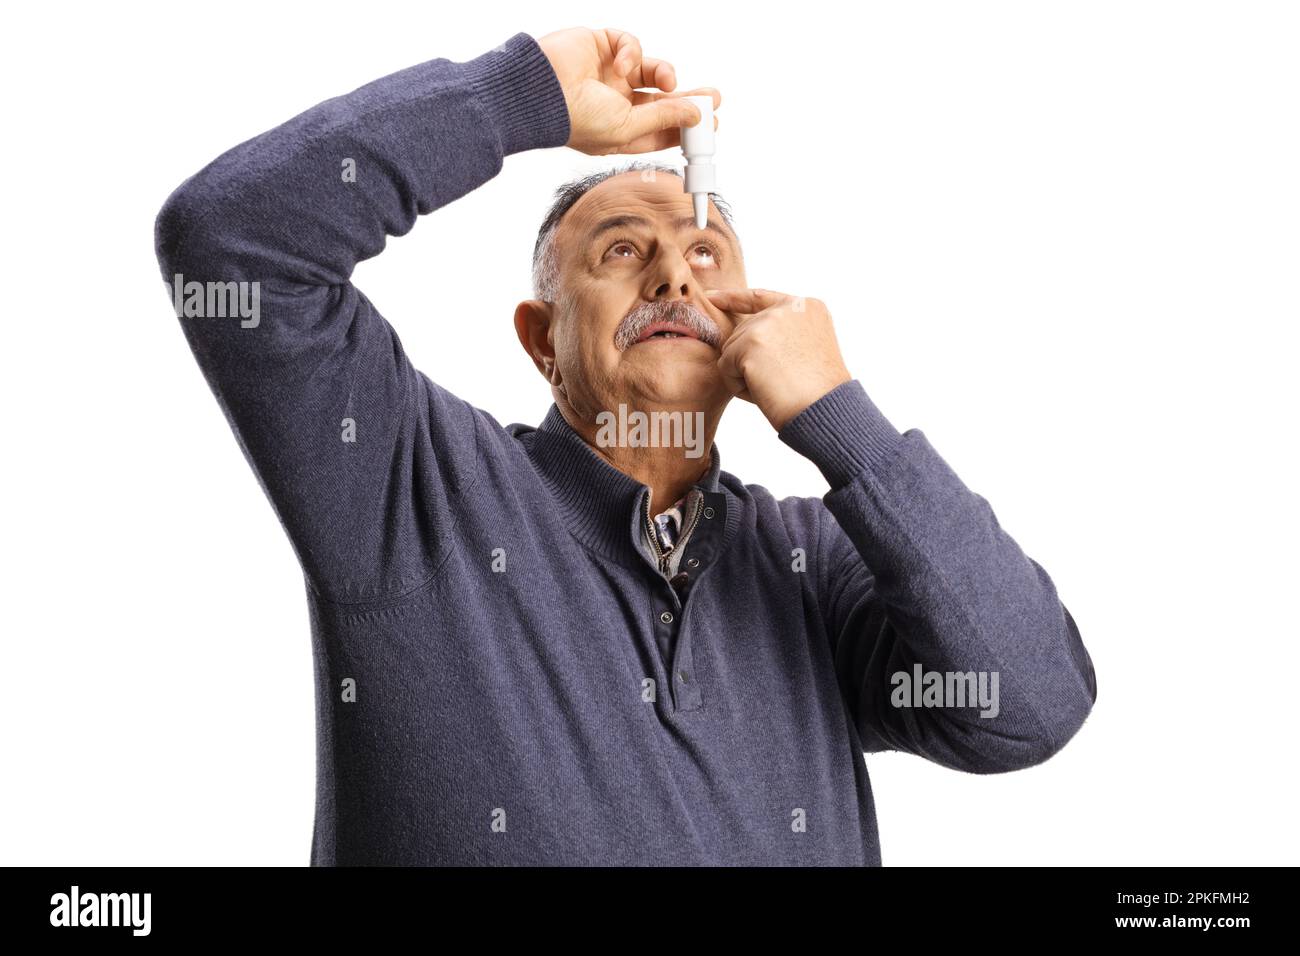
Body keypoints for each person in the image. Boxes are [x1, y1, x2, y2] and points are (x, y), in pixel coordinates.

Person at [154, 26, 1097, 866]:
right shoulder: (411, 487)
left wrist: (842, 419)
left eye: (705, 254)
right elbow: (231, 239)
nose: (673, 280)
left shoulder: (816, 567)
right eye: (620, 252)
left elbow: (1034, 705)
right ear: (542, 340)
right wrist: (516, 97)